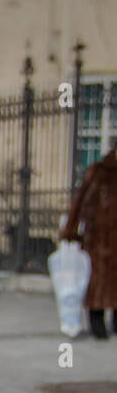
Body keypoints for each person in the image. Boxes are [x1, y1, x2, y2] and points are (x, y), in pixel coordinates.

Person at [61, 144, 117, 339]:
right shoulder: (98, 172)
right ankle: (97, 322)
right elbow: (79, 201)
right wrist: (70, 228)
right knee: (98, 281)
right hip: (99, 238)